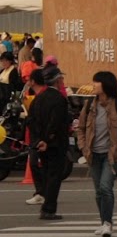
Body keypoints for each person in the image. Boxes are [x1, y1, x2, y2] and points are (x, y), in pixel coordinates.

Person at [81, 71, 117, 237]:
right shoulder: (89, 105)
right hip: (93, 155)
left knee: (105, 187)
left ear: (106, 85)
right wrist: (83, 147)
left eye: (96, 82)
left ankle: (108, 224)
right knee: (98, 192)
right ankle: (103, 222)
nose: (93, 85)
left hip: (111, 155)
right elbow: (80, 128)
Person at [26, 68, 70, 221]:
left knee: (46, 173)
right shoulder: (59, 99)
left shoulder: (38, 98)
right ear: (57, 81)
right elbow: (56, 123)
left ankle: (45, 204)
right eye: (61, 79)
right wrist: (47, 139)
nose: (62, 82)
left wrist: (38, 140)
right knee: (54, 177)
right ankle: (48, 209)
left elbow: (30, 121)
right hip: (55, 144)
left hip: (41, 144)